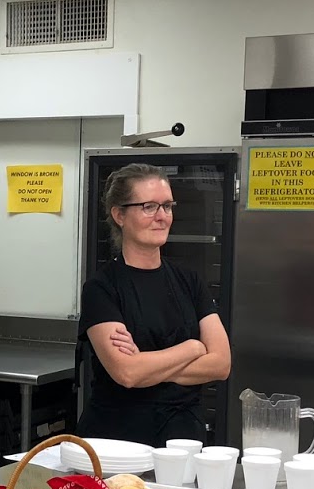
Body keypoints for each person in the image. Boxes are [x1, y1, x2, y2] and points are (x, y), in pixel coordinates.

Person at [76, 163, 231, 446]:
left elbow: (221, 364)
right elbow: (127, 373)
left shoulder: (189, 281)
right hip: (117, 442)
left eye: (167, 206)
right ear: (119, 214)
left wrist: (149, 365)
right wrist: (192, 348)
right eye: (149, 206)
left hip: (182, 442)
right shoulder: (101, 289)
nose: (162, 216)